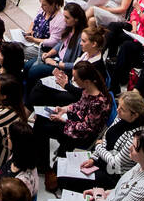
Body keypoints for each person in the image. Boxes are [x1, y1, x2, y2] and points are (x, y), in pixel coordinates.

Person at [34, 60, 113, 192]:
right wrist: (64, 109)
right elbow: (78, 106)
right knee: (41, 120)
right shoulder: (88, 90)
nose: (74, 82)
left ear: (86, 81)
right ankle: (42, 164)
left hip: (81, 133)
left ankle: (46, 167)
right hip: (75, 122)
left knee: (42, 127)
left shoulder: (99, 102)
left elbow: (87, 128)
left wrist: (63, 120)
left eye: (76, 79)